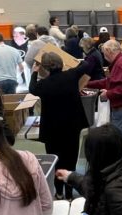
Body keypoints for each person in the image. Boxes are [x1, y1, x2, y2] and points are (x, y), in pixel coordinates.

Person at [30, 53, 90, 199]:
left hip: (52, 130)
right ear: (61, 63)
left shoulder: (43, 85)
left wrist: (34, 71)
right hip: (72, 127)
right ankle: (70, 193)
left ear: (44, 67)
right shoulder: (71, 75)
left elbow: (32, 88)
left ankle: (58, 192)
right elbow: (87, 65)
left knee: (56, 160)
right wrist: (74, 61)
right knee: (70, 160)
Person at [86, 40, 122, 157]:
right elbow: (111, 82)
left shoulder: (121, 63)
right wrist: (88, 84)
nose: (104, 57)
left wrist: (109, 94)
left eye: (104, 53)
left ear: (108, 51)